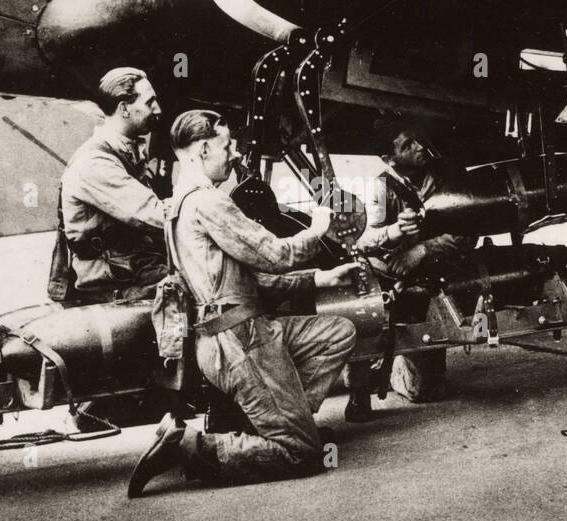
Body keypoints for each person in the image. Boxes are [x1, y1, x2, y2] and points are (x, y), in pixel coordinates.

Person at [126, 110, 359, 497]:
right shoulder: (208, 202)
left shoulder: (178, 205)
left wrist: (320, 278)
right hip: (242, 340)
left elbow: (252, 281)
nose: (233, 154)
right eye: (227, 145)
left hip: (235, 332)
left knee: (336, 333)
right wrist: (318, 230)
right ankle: (190, 446)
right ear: (203, 149)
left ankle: (279, 421)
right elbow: (274, 255)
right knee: (301, 452)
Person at [357, 119, 475, 402]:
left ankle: (391, 361)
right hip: (404, 282)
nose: (419, 147)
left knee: (429, 389)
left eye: (417, 140)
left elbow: (469, 231)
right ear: (390, 159)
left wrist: (421, 250)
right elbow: (365, 240)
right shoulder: (382, 189)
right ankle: (382, 364)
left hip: (443, 270)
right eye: (407, 146)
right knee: (423, 391)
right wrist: (394, 232)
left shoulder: (448, 175)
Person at [48, 67, 167, 304]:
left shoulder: (126, 152)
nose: (158, 109)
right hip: (113, 286)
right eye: (150, 102)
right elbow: (156, 215)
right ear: (123, 108)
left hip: (134, 272)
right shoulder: (96, 163)